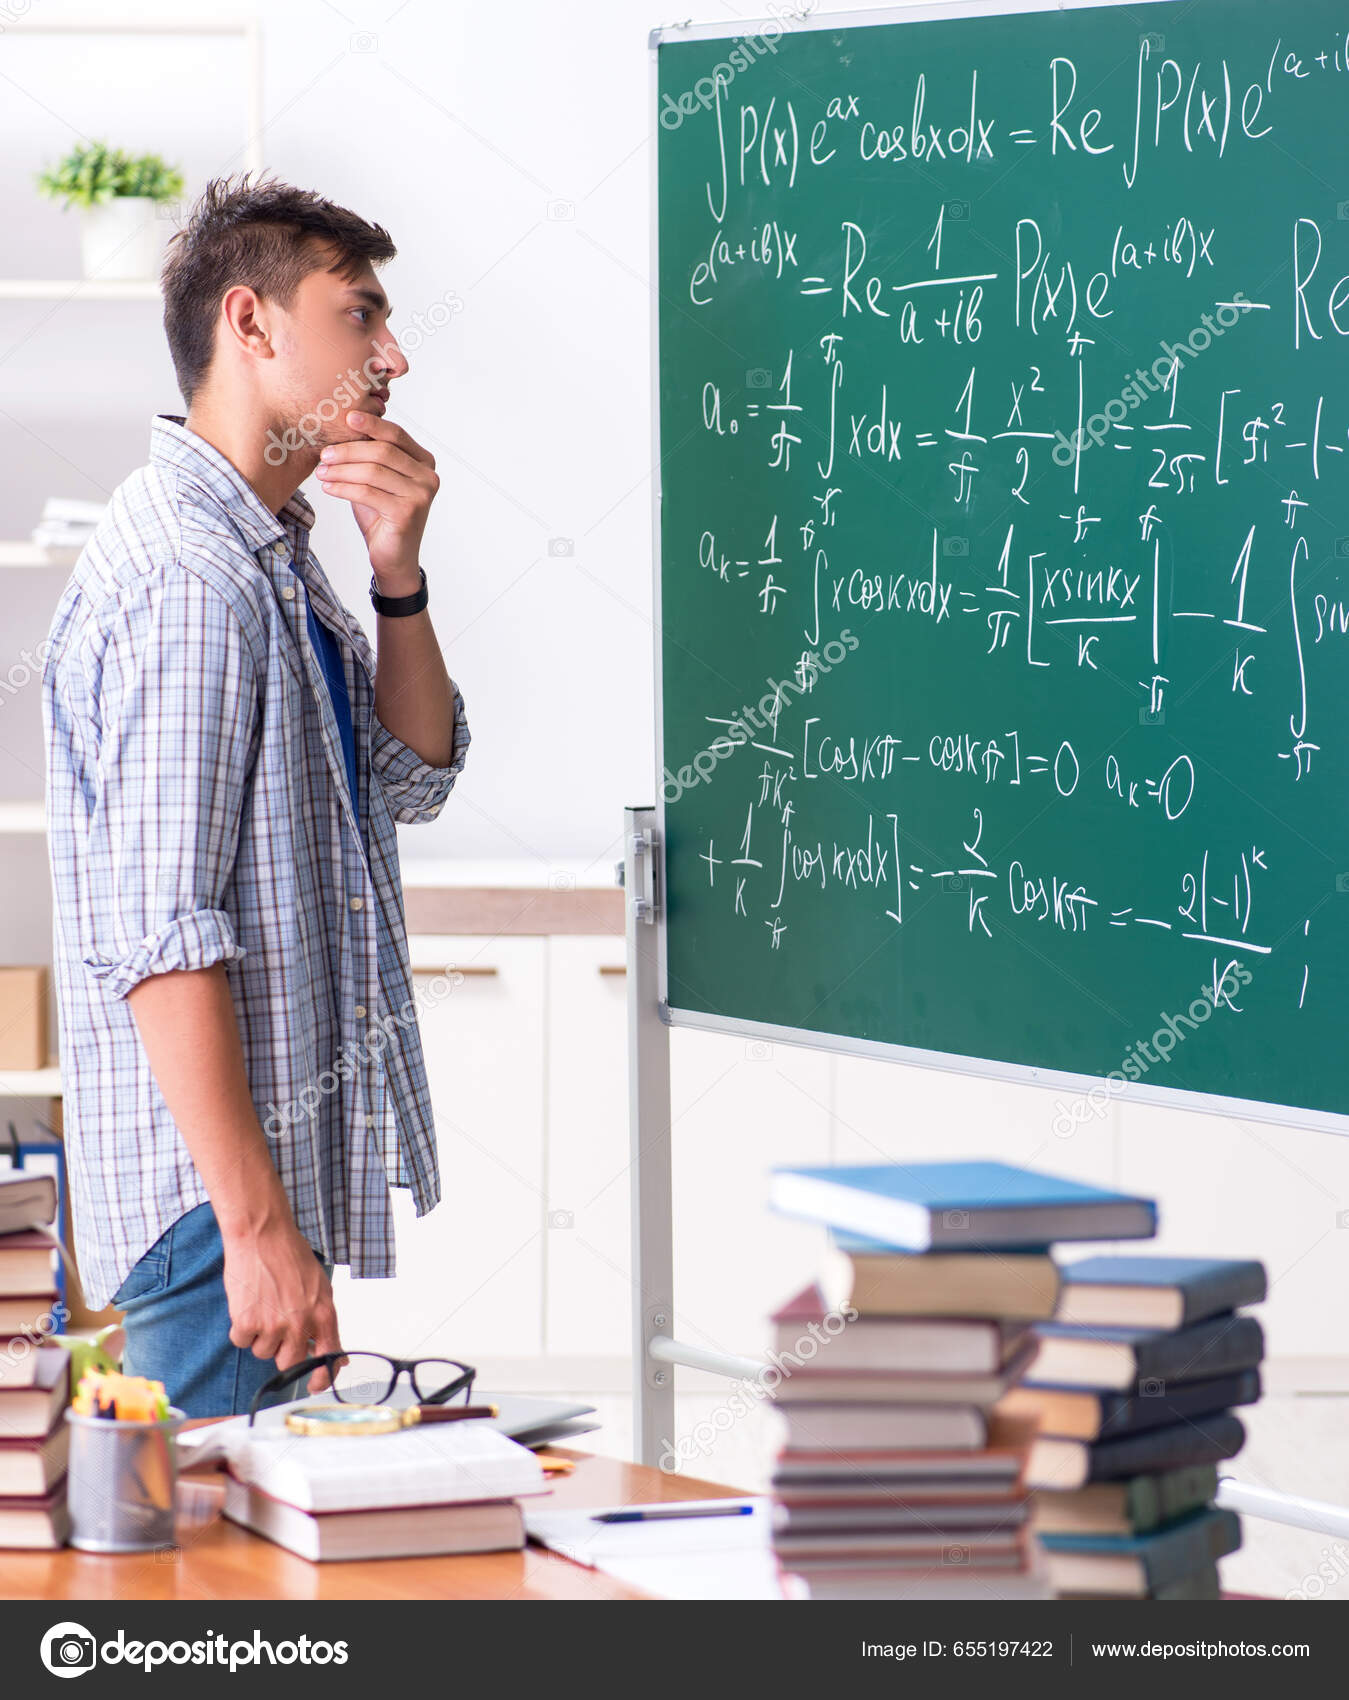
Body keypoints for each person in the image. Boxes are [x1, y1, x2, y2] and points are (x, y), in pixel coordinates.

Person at [41, 174, 469, 1416]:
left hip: (234, 1198)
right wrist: (256, 1225)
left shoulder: (269, 551)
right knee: (213, 1592)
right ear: (251, 322)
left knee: (237, 1562)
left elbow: (411, 776)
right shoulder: (192, 577)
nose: (391, 356)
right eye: (361, 315)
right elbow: (162, 935)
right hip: (211, 1218)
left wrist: (399, 578)